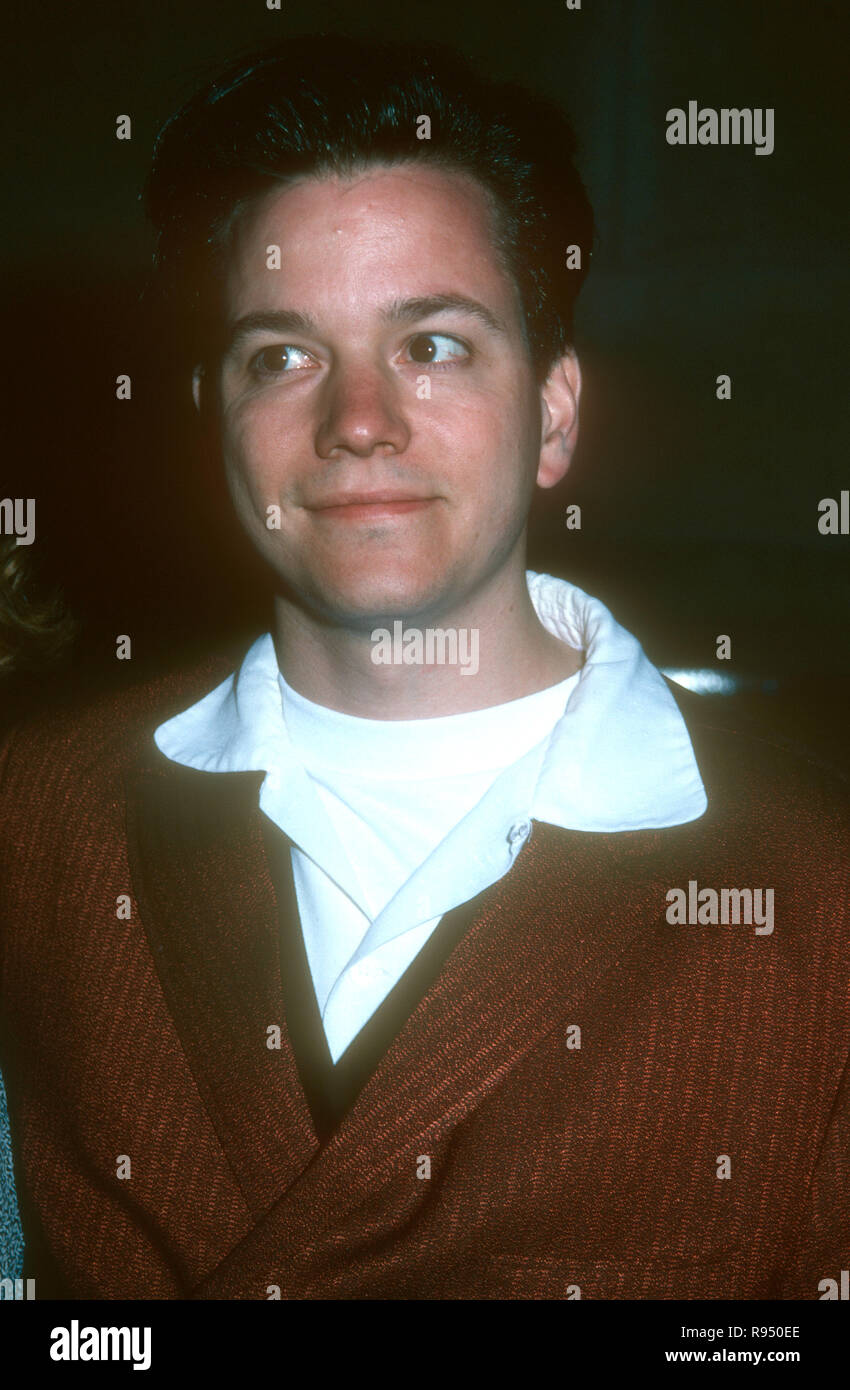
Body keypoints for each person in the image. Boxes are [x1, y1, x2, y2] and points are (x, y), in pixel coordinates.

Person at [0, 33, 847, 1301]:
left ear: (554, 416)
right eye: (280, 355)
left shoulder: (811, 887)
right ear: (210, 421)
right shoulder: (39, 815)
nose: (357, 421)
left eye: (433, 345)